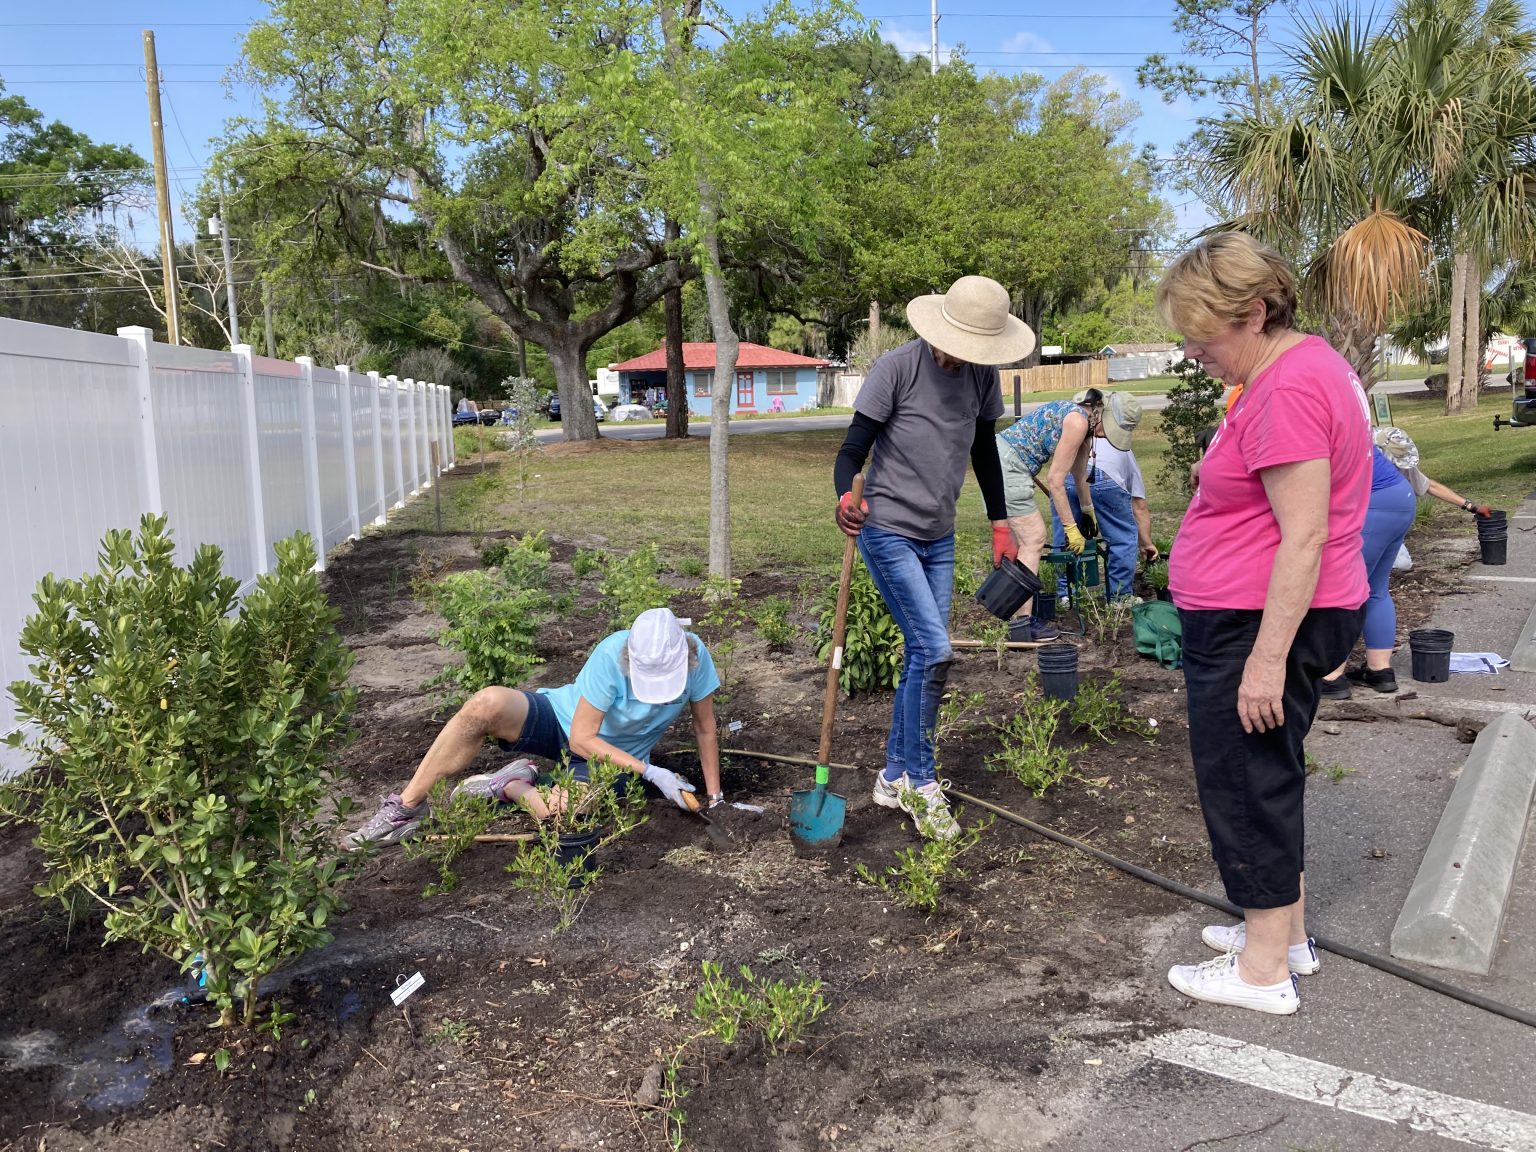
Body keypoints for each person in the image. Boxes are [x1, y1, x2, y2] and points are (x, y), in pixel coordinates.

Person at [1157, 232, 1370, 1015]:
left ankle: (1263, 973)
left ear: (1252, 313)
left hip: (1259, 623)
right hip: (1267, 612)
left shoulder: (1283, 389)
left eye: (1201, 334)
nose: (1191, 351)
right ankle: (1285, 935)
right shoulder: (1304, 364)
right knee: (1270, 776)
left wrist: (1264, 661)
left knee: (1246, 785)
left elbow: (1305, 533)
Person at [833, 275, 1032, 840]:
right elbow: (852, 450)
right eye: (958, 346)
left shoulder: (980, 377)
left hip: (938, 534)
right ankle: (922, 783)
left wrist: (1001, 523)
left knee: (923, 655)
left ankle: (893, 776)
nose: (963, 359)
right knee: (935, 648)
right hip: (887, 529)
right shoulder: (895, 368)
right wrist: (846, 496)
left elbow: (985, 451)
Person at [344, 608, 722, 848]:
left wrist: (716, 797)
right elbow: (581, 737)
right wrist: (652, 772)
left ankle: (512, 785)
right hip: (564, 721)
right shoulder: (613, 652)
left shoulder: (695, 655)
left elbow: (705, 729)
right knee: (485, 704)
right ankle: (405, 809)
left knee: (566, 817)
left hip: (614, 759)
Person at [1318, 426, 1495, 698]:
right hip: (1400, 503)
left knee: (1341, 591)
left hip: (1372, 506)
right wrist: (1470, 505)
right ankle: (1380, 671)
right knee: (1375, 590)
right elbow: (1427, 486)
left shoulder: (1333, 433)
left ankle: (1331, 676)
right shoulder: (1378, 456)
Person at [995, 387, 1137, 639]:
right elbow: (1055, 481)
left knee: (1022, 543)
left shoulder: (1083, 425)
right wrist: (1071, 530)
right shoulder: (1077, 421)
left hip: (1008, 464)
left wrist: (1087, 510)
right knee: (1034, 539)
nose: (1106, 436)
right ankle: (1022, 625)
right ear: (1100, 413)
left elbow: (1079, 474)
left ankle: (1012, 611)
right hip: (1008, 467)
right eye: (1110, 428)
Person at [1049, 391, 1158, 601]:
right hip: (1106, 481)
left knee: (1064, 538)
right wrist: (1145, 543)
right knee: (1122, 539)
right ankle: (1119, 597)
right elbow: (1139, 506)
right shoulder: (1124, 452)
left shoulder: (1079, 428)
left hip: (1068, 478)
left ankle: (1066, 595)